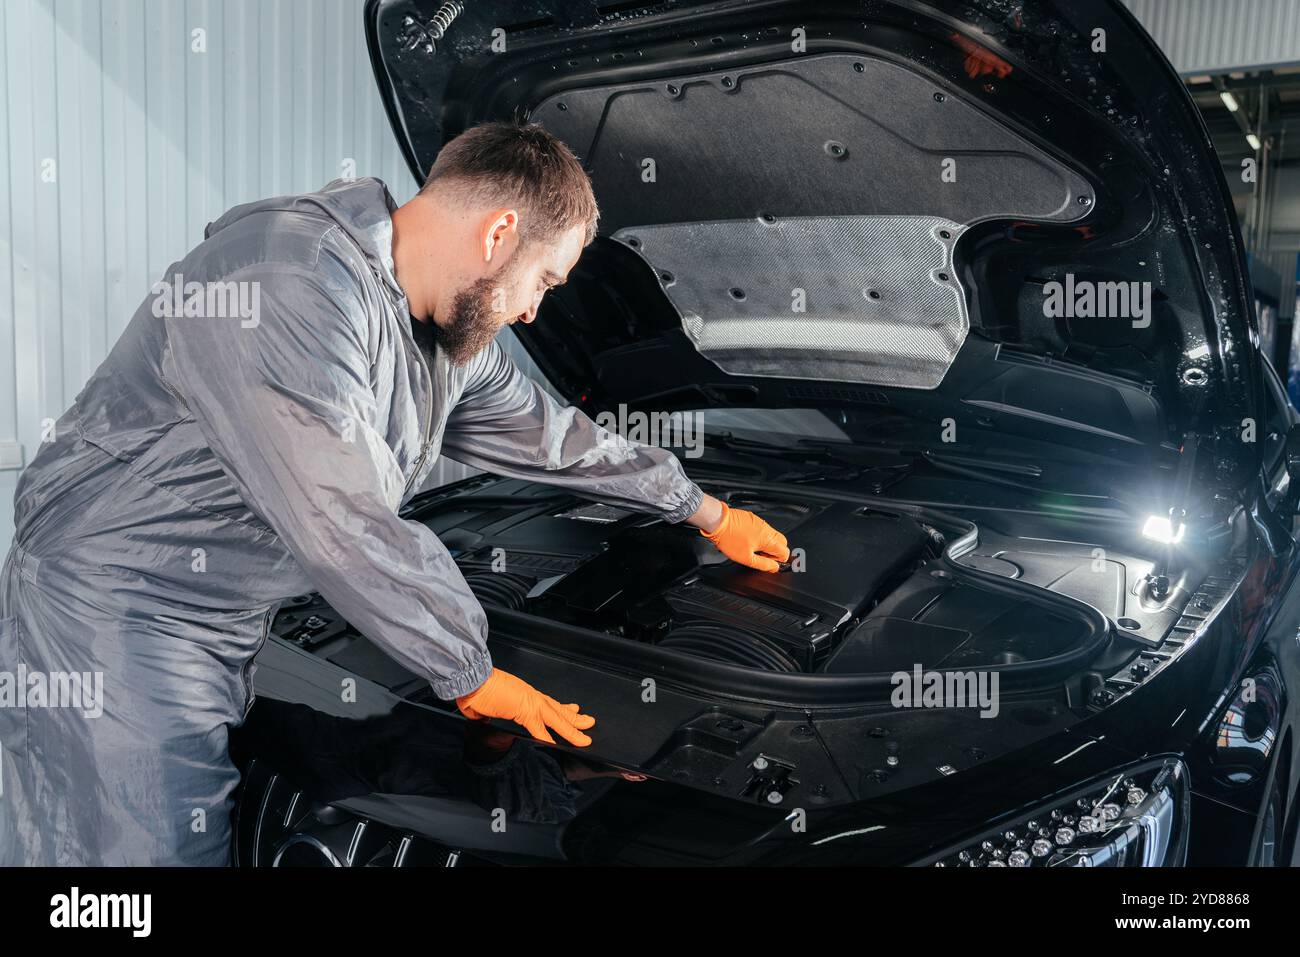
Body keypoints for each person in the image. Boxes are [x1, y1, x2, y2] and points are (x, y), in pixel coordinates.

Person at [0, 121, 789, 865]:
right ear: (498, 233)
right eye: (543, 281)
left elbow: (553, 436)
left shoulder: (444, 338)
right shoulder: (286, 278)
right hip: (119, 608)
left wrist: (701, 508)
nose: (531, 312)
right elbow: (336, 510)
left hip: (227, 611)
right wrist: (468, 670)